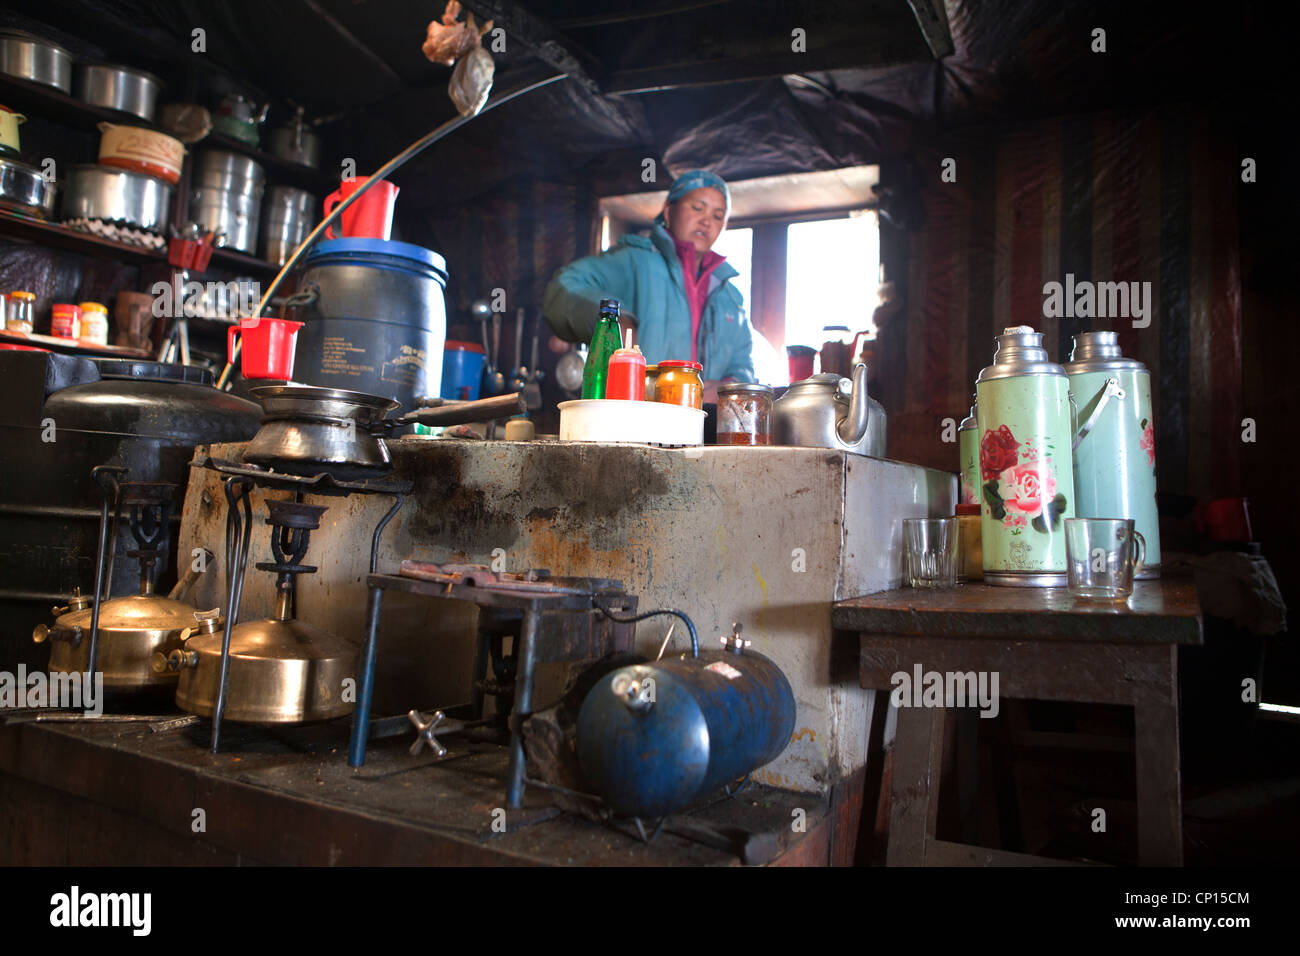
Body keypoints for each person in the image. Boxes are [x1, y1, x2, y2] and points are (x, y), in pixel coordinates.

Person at [542, 169, 756, 397]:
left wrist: (726, 389)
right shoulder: (636, 261)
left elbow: (744, 366)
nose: (706, 221)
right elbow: (564, 286)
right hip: (637, 420)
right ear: (668, 210)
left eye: (717, 215)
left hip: (704, 425)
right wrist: (612, 320)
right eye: (697, 208)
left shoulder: (730, 297)